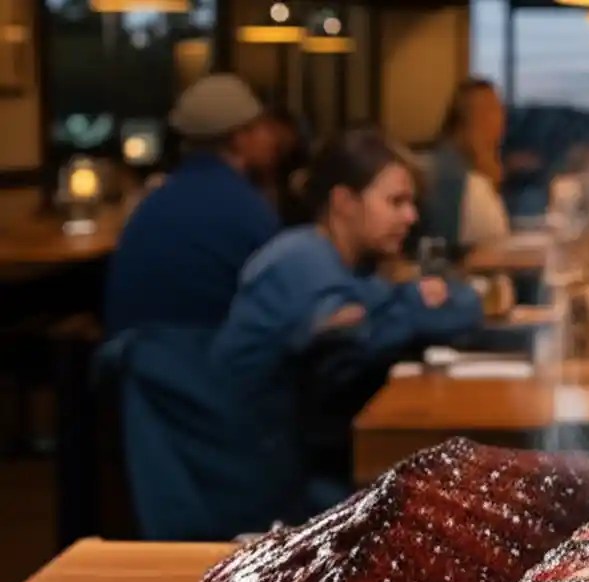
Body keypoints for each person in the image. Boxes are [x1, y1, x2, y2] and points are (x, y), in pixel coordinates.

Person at [103, 126, 484, 540]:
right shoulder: (299, 260)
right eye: (395, 202)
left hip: (294, 455)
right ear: (344, 202)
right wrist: (410, 303)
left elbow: (460, 308)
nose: (410, 216)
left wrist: (406, 304)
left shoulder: (353, 266)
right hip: (257, 472)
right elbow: (355, 339)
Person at [104, 74, 280, 338]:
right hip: (207, 371)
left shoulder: (153, 203)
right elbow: (279, 310)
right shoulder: (247, 210)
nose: (271, 138)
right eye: (261, 127)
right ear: (239, 139)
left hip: (134, 367)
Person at [418, 78, 510, 258]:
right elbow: (492, 244)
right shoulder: (466, 181)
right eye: (491, 111)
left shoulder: (451, 164)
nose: (501, 120)